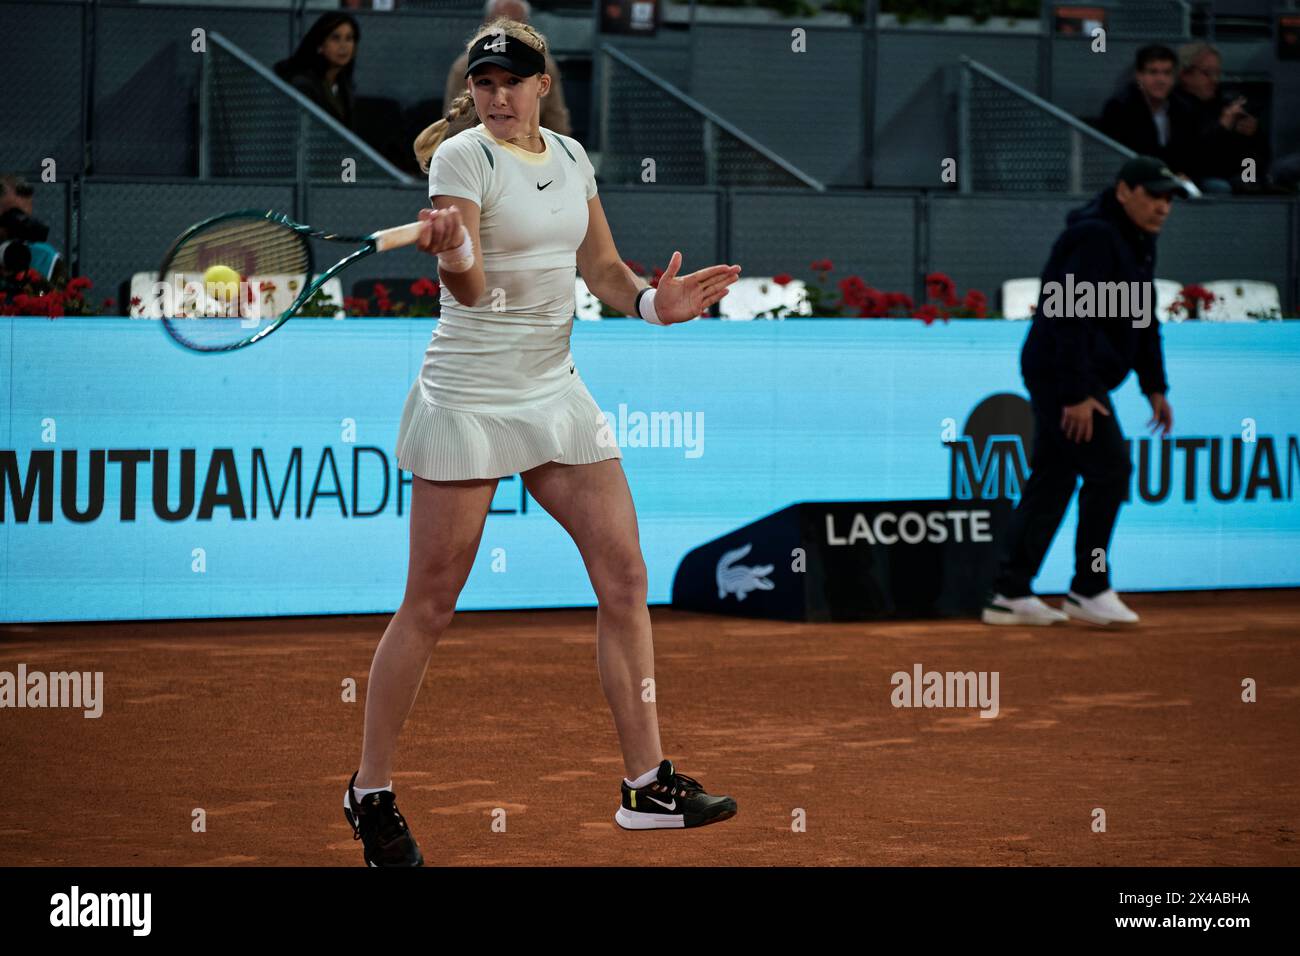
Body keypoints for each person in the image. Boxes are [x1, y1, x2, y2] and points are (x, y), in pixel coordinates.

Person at [341, 16, 743, 867]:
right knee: (432, 604)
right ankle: (370, 790)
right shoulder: (460, 161)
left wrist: (648, 304)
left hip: (554, 390)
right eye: (483, 83)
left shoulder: (568, 158)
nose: (496, 96)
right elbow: (477, 293)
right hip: (471, 398)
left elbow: (599, 269)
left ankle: (647, 785)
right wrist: (453, 254)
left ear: (541, 85)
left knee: (625, 573)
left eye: (511, 81)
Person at [983, 156, 1180, 629]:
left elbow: (1142, 319)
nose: (1162, 207)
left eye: (1169, 199)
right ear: (1123, 191)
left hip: (1074, 374)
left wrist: (1154, 384)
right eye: (1153, 195)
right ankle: (1089, 587)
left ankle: (1010, 591)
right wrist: (1074, 392)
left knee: (1054, 476)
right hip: (1062, 373)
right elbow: (1066, 313)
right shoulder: (1094, 237)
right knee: (1110, 468)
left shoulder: (1137, 242)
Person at [442, 0, 571, 139]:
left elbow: (556, 120)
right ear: (487, 23)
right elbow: (457, 127)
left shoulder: (544, 66)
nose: (505, 31)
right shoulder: (464, 67)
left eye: (514, 81)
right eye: (485, 82)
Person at [1171, 42, 1268, 195]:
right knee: (1220, 187)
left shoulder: (1222, 102)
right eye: (1207, 73)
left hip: (1232, 172)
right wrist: (1222, 126)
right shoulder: (1173, 106)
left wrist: (1254, 134)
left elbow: (1256, 154)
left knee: (1252, 178)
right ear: (1185, 74)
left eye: (1217, 73)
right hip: (1197, 176)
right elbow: (1193, 159)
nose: (1214, 80)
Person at [1099, 45, 1196, 179]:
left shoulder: (1184, 109)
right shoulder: (1120, 108)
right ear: (1139, 76)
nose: (1161, 80)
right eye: (1153, 72)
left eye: (1167, 73)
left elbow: (1190, 153)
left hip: (1174, 180)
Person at [273, 13, 360, 130]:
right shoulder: (303, 84)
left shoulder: (344, 83)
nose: (343, 46)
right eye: (335, 38)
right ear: (320, 46)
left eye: (349, 38)